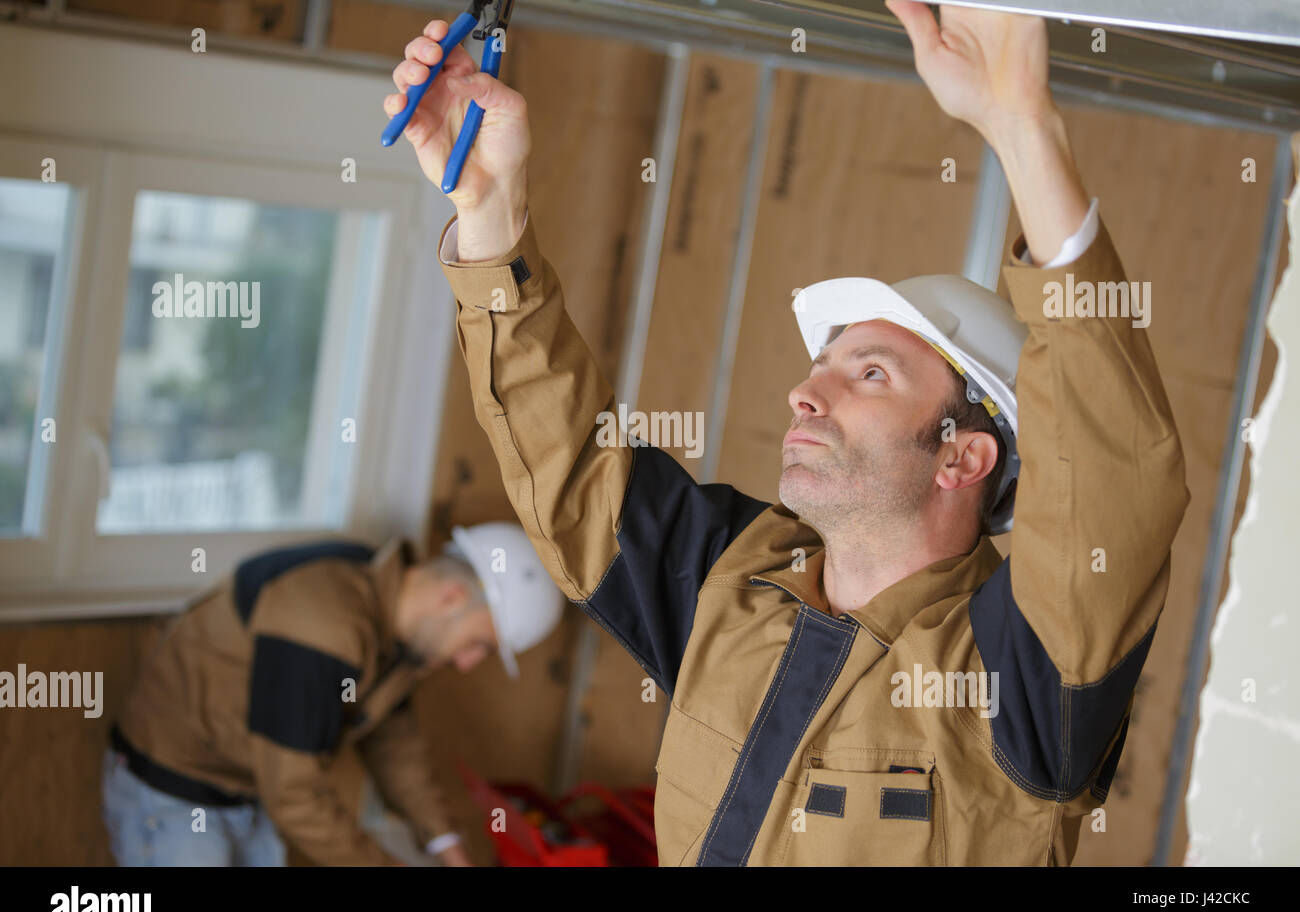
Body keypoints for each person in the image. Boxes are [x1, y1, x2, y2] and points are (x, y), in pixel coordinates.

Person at [385, 1, 1188, 864]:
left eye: (869, 372)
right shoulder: (734, 582)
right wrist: (491, 205)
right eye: (825, 364)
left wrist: (1021, 128)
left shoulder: (1011, 677)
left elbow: (1115, 477)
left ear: (965, 453)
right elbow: (569, 465)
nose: (806, 391)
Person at [102, 523, 564, 866]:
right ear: (451, 597)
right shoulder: (322, 623)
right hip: (171, 795)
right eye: (480, 645)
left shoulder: (393, 619)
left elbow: (392, 742)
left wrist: (447, 845)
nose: (467, 664)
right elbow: (296, 796)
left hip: (246, 796)